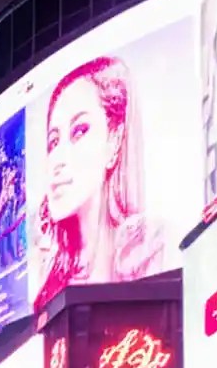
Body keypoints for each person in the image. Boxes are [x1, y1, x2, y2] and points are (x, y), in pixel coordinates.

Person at [32, 56, 164, 311]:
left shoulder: (155, 249)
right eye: (53, 141)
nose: (58, 160)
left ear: (114, 141)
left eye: (79, 131)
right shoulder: (47, 287)